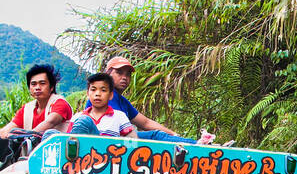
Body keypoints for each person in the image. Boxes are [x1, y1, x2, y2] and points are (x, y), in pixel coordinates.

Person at [86, 55, 214, 145]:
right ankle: (199, 145)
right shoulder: (102, 97)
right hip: (105, 142)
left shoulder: (122, 101)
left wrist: (173, 134)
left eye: (128, 74)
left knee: (157, 136)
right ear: (108, 74)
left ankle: (196, 144)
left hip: (121, 141)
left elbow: (145, 122)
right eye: (119, 73)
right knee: (155, 136)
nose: (124, 77)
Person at [67, 72, 137, 137]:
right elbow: (68, 141)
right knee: (83, 121)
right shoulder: (77, 117)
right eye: (93, 90)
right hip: (84, 146)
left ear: (111, 95)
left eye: (103, 90)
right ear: (88, 94)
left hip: (109, 146)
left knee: (84, 121)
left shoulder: (119, 117)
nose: (97, 94)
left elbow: (132, 141)